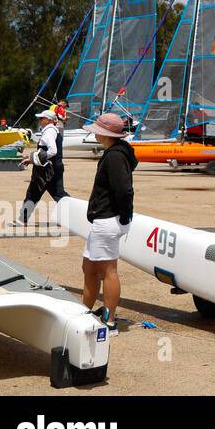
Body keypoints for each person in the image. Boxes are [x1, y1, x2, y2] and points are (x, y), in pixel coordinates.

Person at [83, 113, 137, 332]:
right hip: (104, 219)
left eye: (97, 130)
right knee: (89, 267)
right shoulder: (115, 152)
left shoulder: (115, 156)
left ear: (104, 134)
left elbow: (124, 190)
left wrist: (125, 216)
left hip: (108, 219)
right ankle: (85, 311)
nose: (94, 133)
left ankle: (109, 320)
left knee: (107, 270)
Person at [19, 107, 67, 224]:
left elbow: (52, 151)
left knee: (32, 193)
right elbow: (45, 144)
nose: (40, 120)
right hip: (56, 167)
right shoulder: (53, 130)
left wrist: (34, 160)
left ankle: (22, 220)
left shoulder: (49, 131)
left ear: (49, 120)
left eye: (42, 118)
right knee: (60, 195)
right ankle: (76, 215)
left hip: (45, 170)